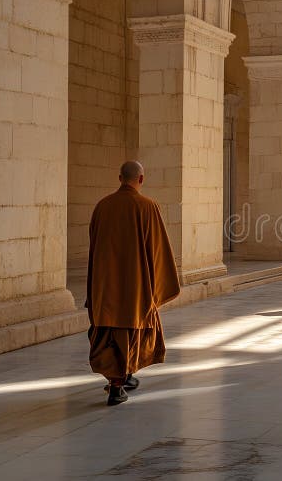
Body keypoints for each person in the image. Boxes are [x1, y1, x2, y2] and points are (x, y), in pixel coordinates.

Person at [86, 161, 180, 406]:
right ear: (141, 179)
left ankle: (123, 377)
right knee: (133, 330)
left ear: (120, 178)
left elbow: (94, 249)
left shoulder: (102, 207)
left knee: (109, 333)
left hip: (105, 288)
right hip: (136, 288)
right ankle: (117, 387)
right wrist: (157, 287)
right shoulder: (148, 207)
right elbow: (158, 252)